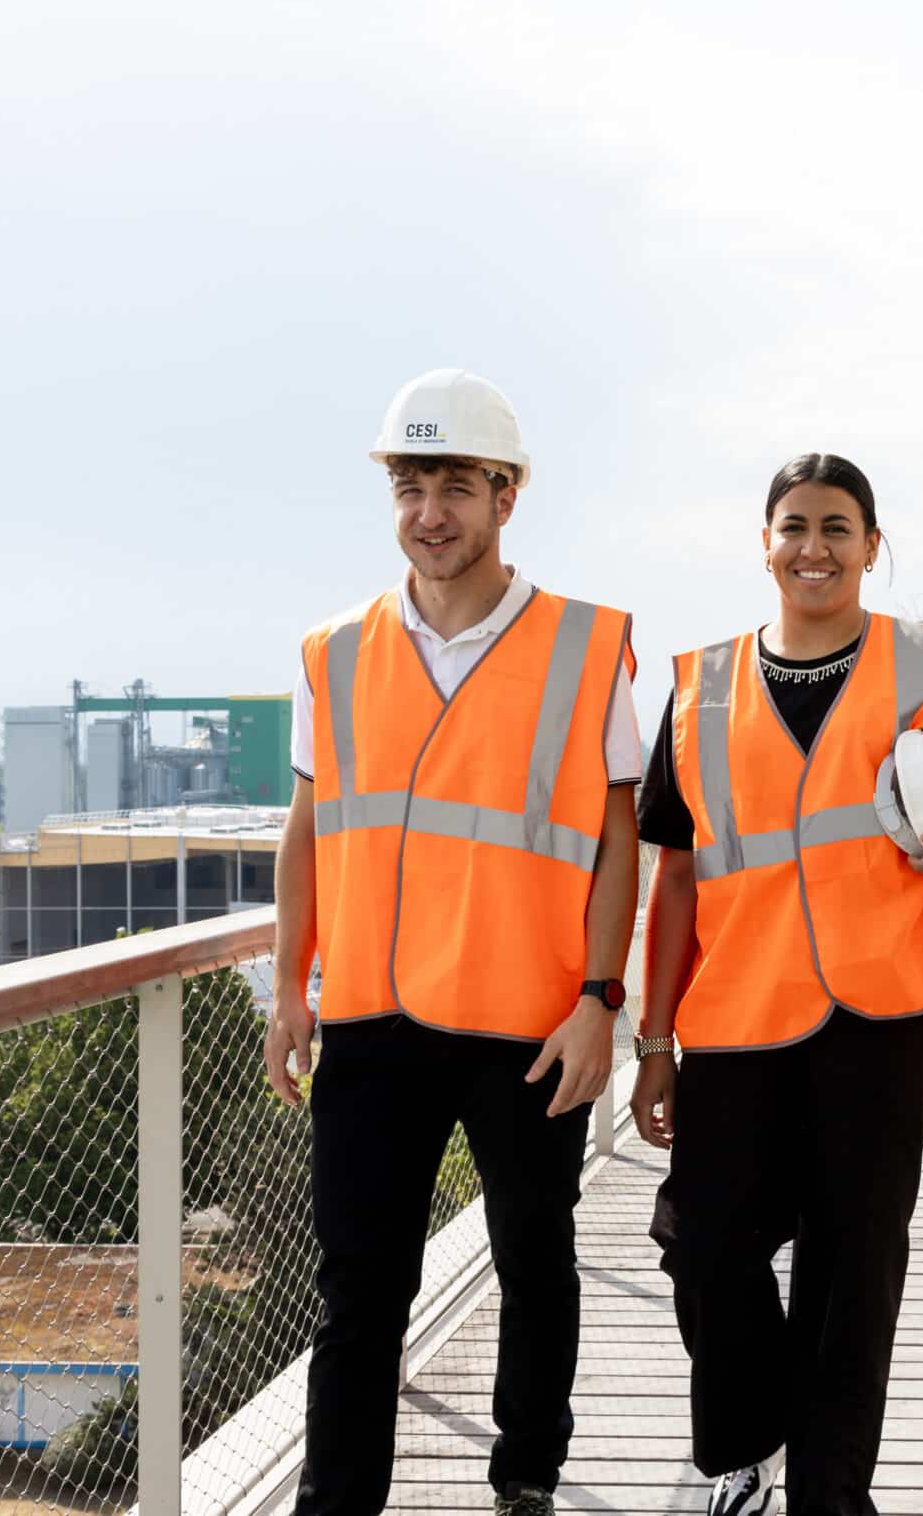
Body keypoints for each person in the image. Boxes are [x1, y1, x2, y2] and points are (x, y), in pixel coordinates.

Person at [629, 452, 923, 1516]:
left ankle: (830, 1492)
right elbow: (675, 879)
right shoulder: (699, 686)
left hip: (896, 998)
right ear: (763, 542)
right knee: (700, 1237)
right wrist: (652, 1041)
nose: (813, 547)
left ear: (873, 546)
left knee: (853, 1248)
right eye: (793, 526)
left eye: (836, 527)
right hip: (737, 1002)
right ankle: (752, 1434)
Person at [264, 368, 643, 1516]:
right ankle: (338, 1503)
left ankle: (525, 1477)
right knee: (359, 1286)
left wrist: (600, 998)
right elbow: (307, 827)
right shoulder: (332, 651)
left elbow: (619, 837)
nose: (431, 512)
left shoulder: (588, 646)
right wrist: (289, 986)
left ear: (506, 498)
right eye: (410, 486)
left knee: (536, 1263)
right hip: (374, 1017)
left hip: (530, 1018)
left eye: (456, 488)